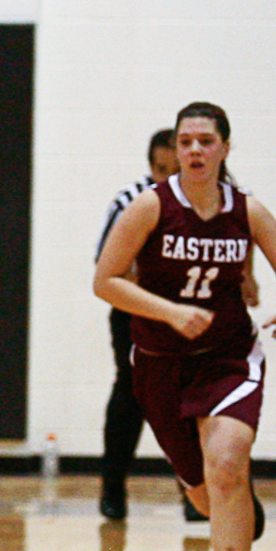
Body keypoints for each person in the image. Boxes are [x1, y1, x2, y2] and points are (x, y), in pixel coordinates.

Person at [94, 100, 276, 551]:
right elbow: (105, 280)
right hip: (161, 361)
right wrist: (168, 313)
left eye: (205, 141)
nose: (195, 149)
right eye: (186, 140)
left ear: (225, 149)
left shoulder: (249, 211)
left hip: (228, 357)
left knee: (226, 460)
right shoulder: (149, 207)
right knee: (205, 495)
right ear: (176, 148)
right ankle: (239, 505)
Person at [95, 129, 178, 520]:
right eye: (159, 169)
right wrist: (155, 298)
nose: (166, 178)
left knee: (189, 399)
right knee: (130, 393)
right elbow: (107, 269)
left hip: (187, 318)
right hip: (134, 314)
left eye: (173, 170)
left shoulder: (211, 201)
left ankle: (194, 495)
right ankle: (112, 487)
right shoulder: (131, 201)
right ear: (150, 166)